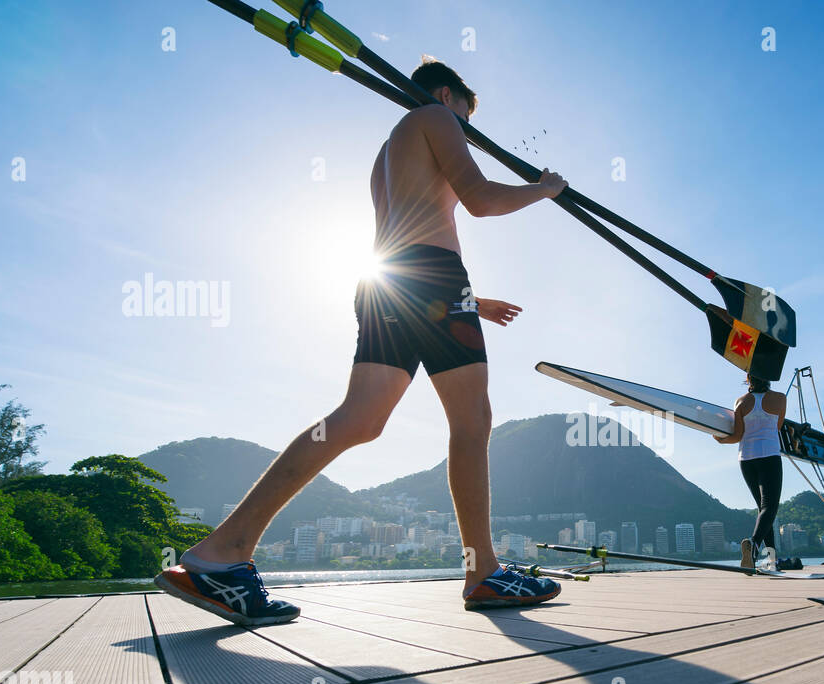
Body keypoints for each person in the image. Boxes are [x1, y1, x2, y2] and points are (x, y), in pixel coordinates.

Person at [156, 58, 569, 623]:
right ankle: (483, 572)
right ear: (447, 95)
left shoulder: (388, 151)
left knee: (359, 418)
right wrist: (544, 189)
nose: (466, 130)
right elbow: (479, 199)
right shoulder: (434, 116)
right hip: (431, 280)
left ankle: (220, 554)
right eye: (466, 117)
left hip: (388, 281)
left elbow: (414, 234)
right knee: (471, 421)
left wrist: (472, 301)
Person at [716, 374, 786, 569]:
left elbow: (737, 435)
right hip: (770, 456)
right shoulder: (780, 398)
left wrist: (720, 439)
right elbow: (777, 427)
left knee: (763, 510)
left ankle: (772, 560)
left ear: (748, 377)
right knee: (769, 508)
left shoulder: (741, 401)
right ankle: (753, 546)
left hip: (746, 459)